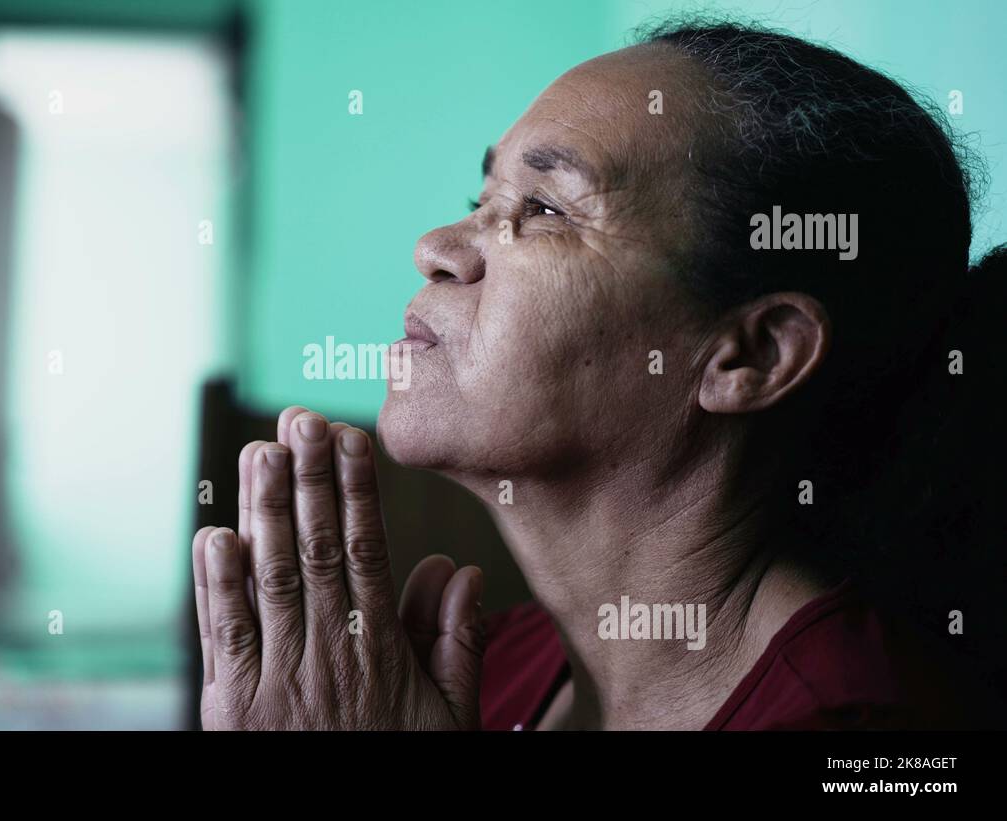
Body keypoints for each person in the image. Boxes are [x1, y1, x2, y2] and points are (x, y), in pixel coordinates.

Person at [190, 19, 1007, 730]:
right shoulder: (455, 674)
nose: (436, 247)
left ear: (751, 355)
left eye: (543, 210)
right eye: (480, 196)